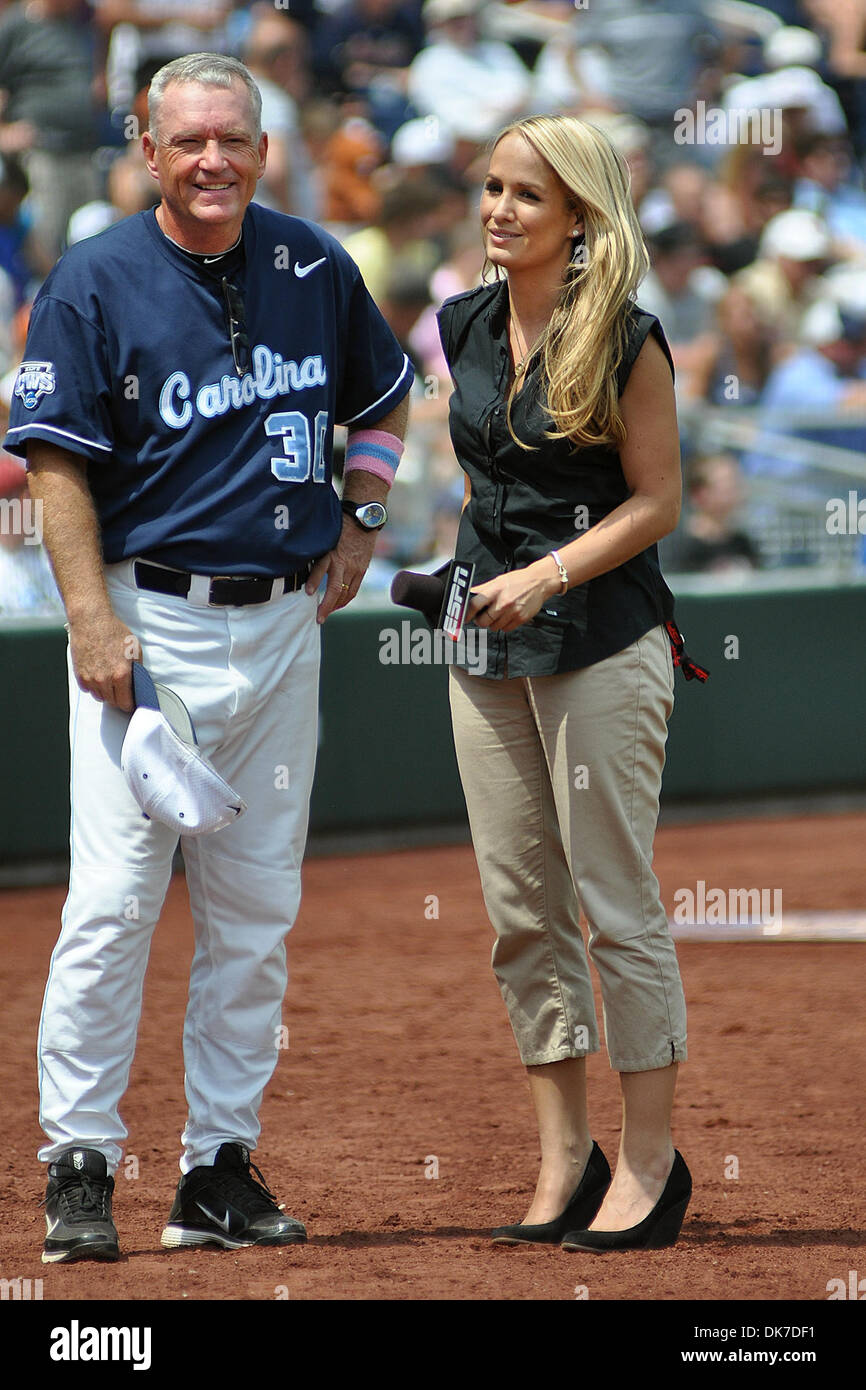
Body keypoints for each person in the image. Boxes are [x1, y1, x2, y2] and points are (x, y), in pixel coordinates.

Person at [4, 52, 412, 1264]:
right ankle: (79, 1163)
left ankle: (216, 1169)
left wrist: (364, 519)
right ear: (146, 148)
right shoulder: (94, 280)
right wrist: (89, 616)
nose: (212, 161)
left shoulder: (311, 263)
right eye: (186, 141)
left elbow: (383, 400)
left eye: (230, 139)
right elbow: (58, 465)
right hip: (151, 626)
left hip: (285, 624)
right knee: (115, 906)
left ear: (261, 149)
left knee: (255, 913)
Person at [437, 114, 694, 1253]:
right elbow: (486, 480)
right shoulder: (462, 323)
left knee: (613, 903)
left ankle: (650, 1161)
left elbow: (657, 502)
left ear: (578, 217)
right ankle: (563, 1161)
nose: (498, 208)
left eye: (525, 196)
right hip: (483, 643)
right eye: (490, 187)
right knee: (518, 912)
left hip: (599, 635)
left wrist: (544, 573)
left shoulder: (628, 339)